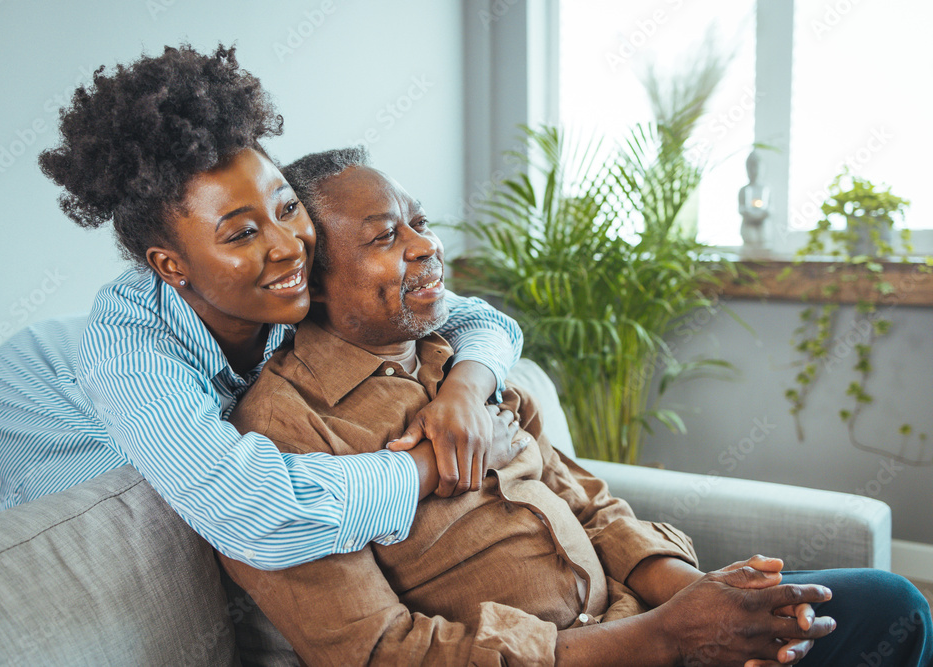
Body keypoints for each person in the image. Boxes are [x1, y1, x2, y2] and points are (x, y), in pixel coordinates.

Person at [218, 147, 933, 667]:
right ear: (308, 277)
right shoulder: (280, 435)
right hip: (585, 655)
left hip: (647, 621)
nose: (427, 245)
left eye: (419, 223)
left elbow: (587, 502)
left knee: (889, 604)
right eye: (385, 236)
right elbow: (382, 653)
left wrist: (704, 597)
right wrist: (665, 636)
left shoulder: (456, 356)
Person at [0, 44, 528, 571]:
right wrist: (437, 463)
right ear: (170, 265)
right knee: (166, 533)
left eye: (286, 207)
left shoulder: (296, 284)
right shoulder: (130, 351)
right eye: (240, 235)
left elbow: (481, 320)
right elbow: (259, 516)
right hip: (42, 402)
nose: (287, 247)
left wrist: (464, 395)